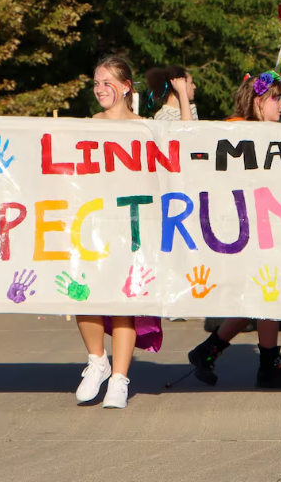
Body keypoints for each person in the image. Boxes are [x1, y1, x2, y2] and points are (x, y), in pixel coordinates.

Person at [187, 72, 281, 389]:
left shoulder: (277, 134)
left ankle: (209, 351)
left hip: (268, 224)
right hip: (244, 227)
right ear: (258, 101)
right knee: (266, 294)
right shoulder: (235, 129)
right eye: (276, 98)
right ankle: (266, 365)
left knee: (261, 296)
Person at [75, 57, 163, 410]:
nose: (100, 88)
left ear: (127, 86)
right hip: (93, 224)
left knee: (125, 302)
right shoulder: (87, 126)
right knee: (85, 295)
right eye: (96, 82)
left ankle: (119, 380)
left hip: (132, 225)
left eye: (108, 81)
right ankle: (98, 360)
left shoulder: (145, 128)